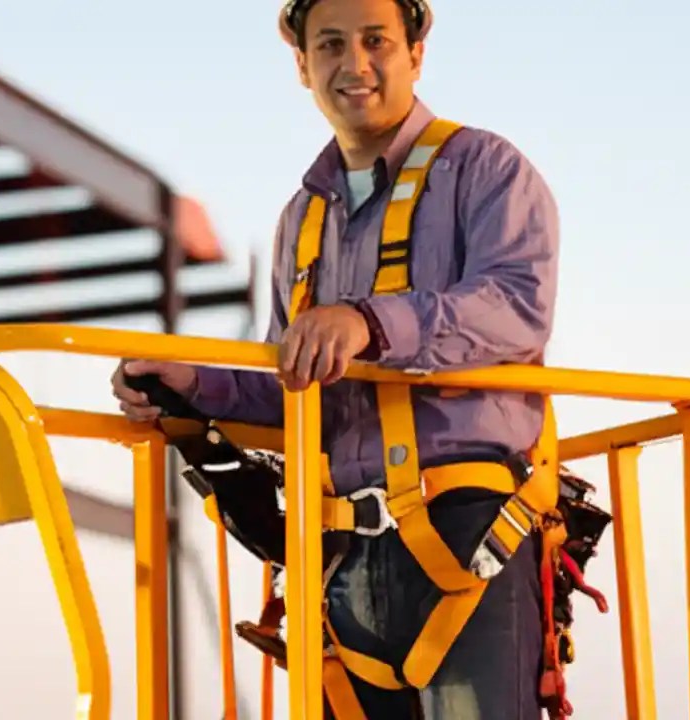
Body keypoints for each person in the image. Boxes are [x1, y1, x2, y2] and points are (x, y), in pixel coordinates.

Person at [110, 0, 560, 717]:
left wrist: (369, 322)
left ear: (416, 50)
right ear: (302, 65)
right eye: (330, 45)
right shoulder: (303, 218)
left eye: (376, 40)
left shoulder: (485, 169)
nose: (354, 64)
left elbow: (516, 308)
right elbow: (298, 383)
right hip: (341, 552)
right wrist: (195, 384)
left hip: (467, 529)